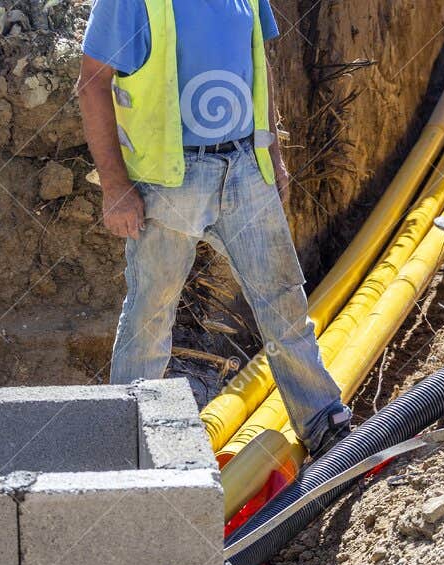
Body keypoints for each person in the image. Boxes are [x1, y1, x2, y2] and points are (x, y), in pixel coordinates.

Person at [76, 0, 352, 457]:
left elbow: (257, 67)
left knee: (282, 300)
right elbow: (92, 84)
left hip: (245, 166)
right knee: (151, 310)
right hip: (170, 177)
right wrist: (115, 186)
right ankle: (126, 441)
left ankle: (323, 421)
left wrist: (273, 156)